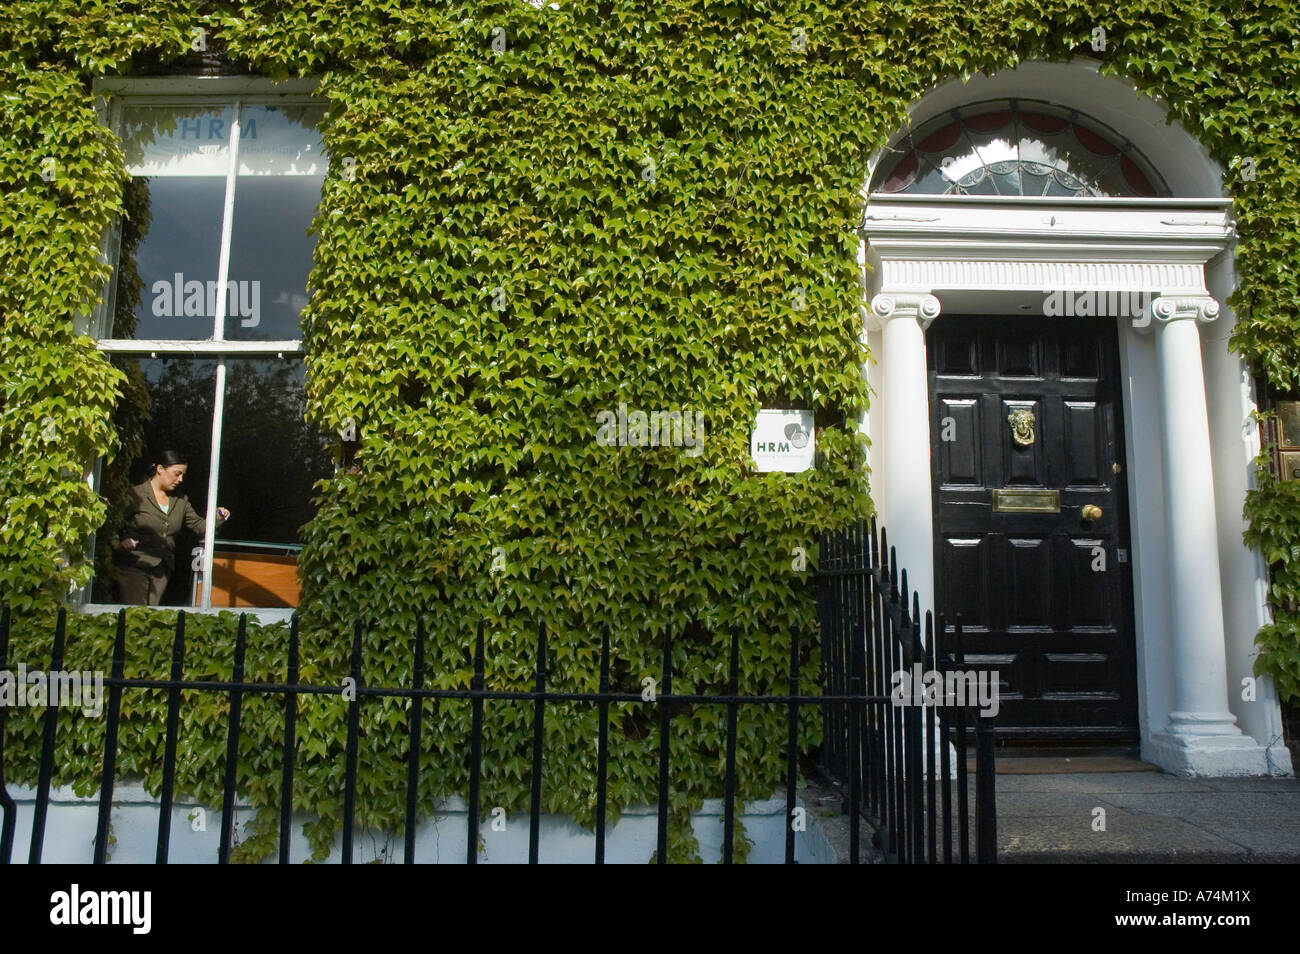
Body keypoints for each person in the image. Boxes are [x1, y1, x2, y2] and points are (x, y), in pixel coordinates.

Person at [113, 450, 230, 606]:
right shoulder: (136, 494)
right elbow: (113, 523)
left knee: (152, 616)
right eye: (177, 473)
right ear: (160, 469)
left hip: (162, 569)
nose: (180, 479)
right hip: (134, 565)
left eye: (182, 475)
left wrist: (217, 517)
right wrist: (119, 544)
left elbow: (199, 526)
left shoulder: (180, 500)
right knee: (134, 615)